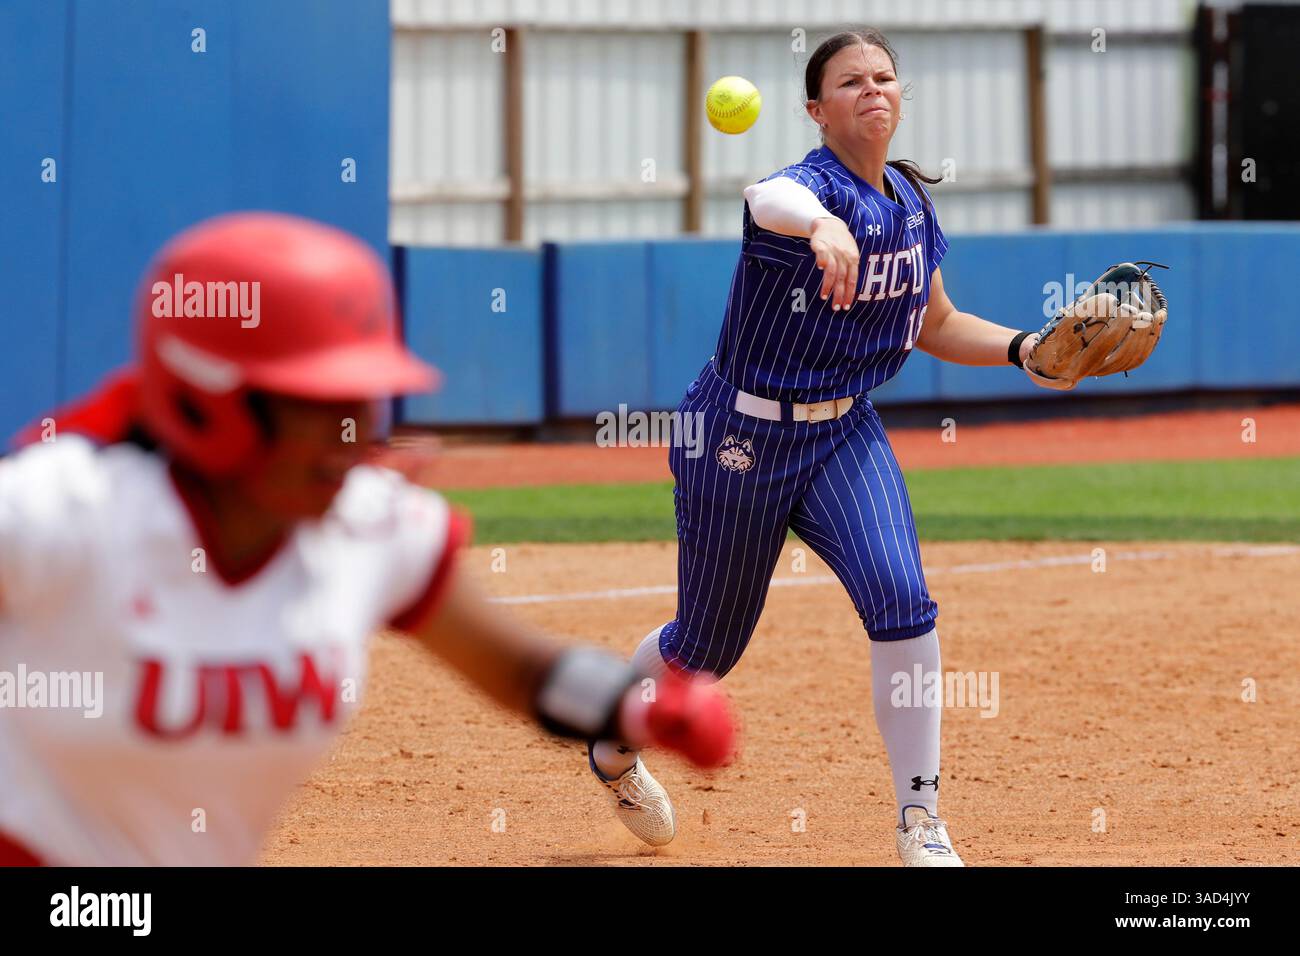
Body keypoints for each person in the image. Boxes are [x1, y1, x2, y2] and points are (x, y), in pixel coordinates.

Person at [0, 211, 734, 866]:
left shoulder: (366, 524)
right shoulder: (60, 513)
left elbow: (517, 668)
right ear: (210, 398)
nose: (349, 434)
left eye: (359, 401)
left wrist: (633, 708)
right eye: (316, 405)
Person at [586, 28, 1055, 866]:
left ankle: (921, 820)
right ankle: (614, 745)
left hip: (844, 432)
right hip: (738, 435)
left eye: (884, 77)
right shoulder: (802, 194)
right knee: (705, 649)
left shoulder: (911, 206)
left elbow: (938, 323)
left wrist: (1027, 349)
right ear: (817, 109)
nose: (873, 89)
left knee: (902, 599)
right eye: (850, 82)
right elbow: (766, 196)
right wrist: (823, 228)